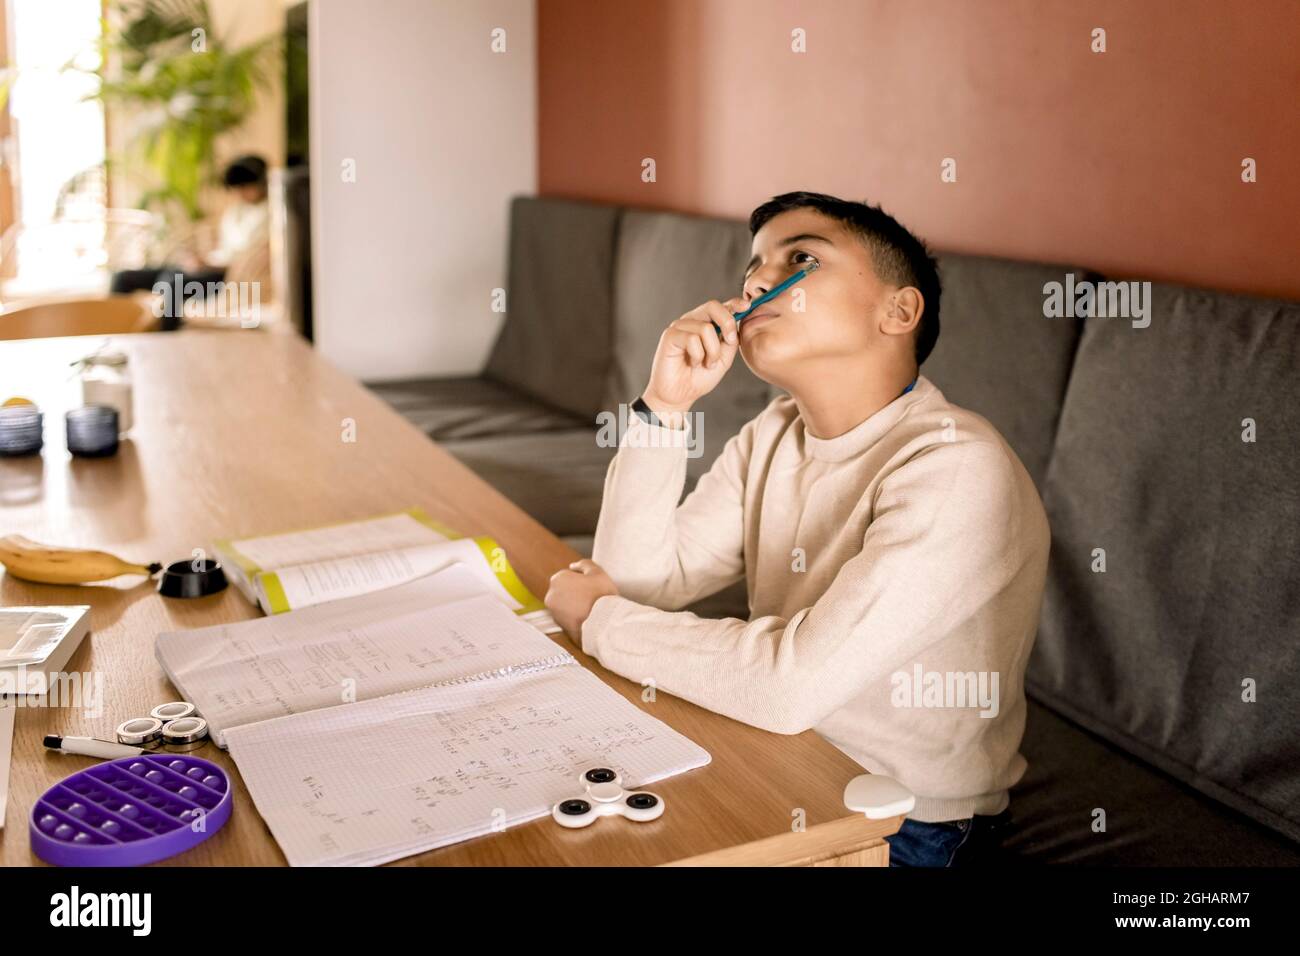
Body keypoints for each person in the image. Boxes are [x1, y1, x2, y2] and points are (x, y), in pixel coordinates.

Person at [544, 191, 1050, 867]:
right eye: (752, 267)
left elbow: (787, 687)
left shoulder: (956, 465)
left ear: (899, 310)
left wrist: (601, 622)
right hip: (781, 759)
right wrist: (665, 406)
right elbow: (641, 580)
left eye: (800, 258)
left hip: (904, 823)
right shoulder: (774, 431)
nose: (755, 282)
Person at [110, 154, 270, 308]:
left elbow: (245, 259)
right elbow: (223, 249)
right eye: (237, 187)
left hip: (225, 276)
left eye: (246, 186)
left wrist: (210, 264)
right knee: (123, 278)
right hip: (208, 265)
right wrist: (200, 259)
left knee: (171, 285)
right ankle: (115, 328)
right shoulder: (234, 212)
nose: (240, 192)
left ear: (262, 182)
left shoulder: (270, 215)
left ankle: (163, 333)